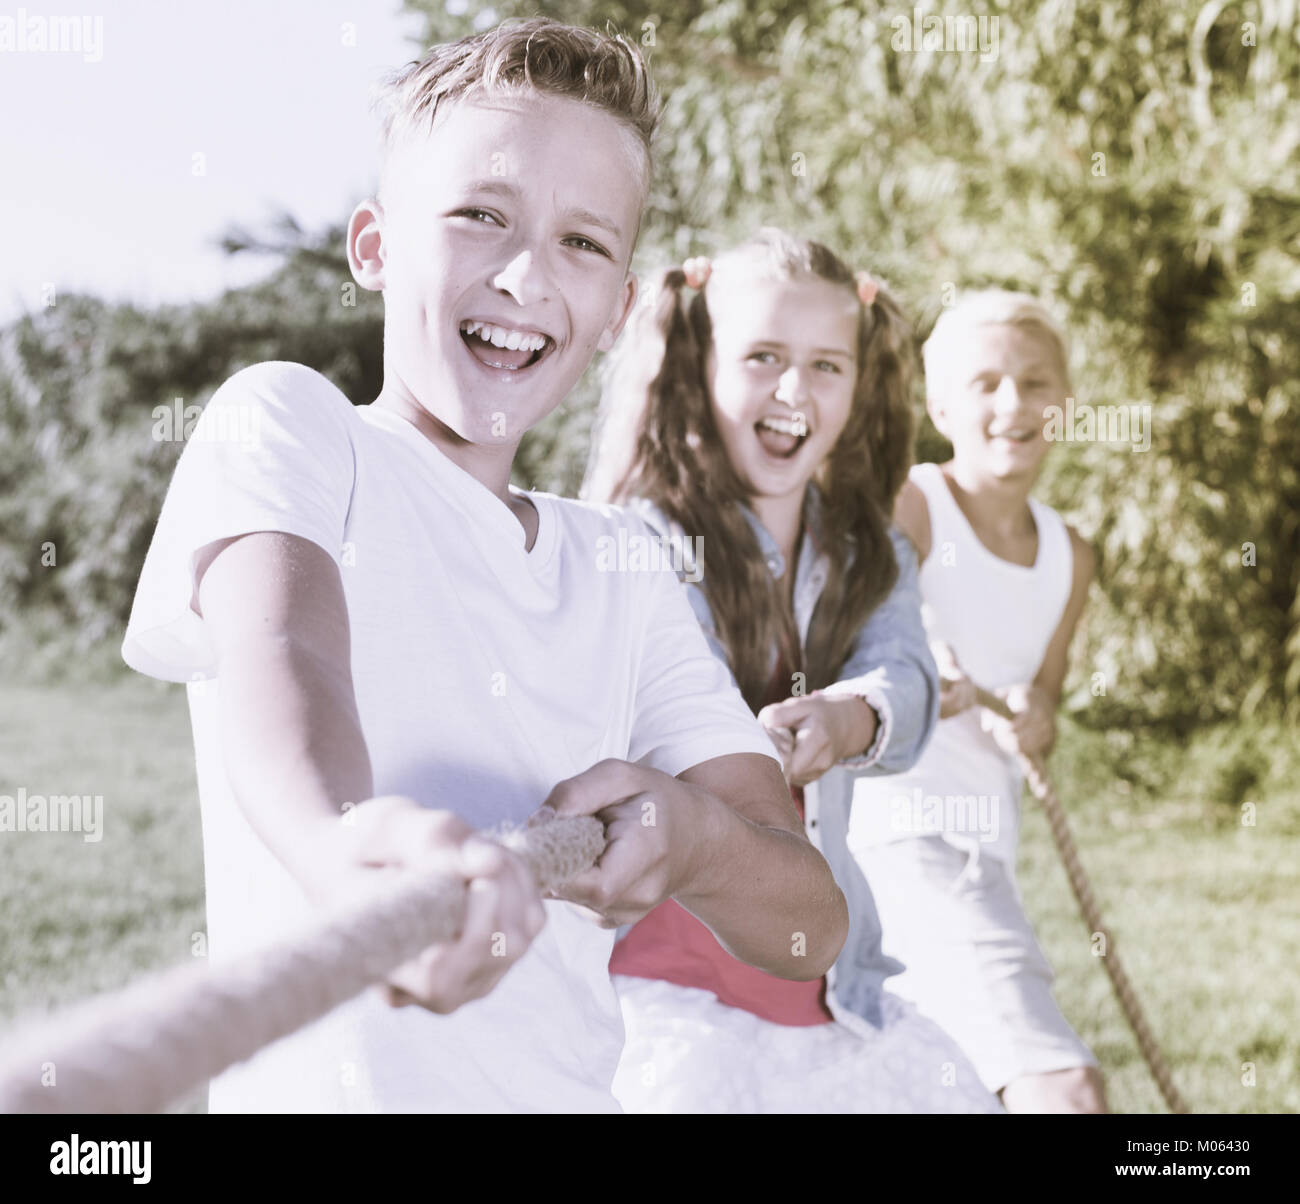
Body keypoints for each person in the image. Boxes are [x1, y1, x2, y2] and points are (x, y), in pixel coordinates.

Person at [120, 20, 848, 1114]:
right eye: (479, 217)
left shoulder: (625, 567)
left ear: (616, 312)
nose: (524, 275)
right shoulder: (291, 426)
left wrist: (694, 840)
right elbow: (290, 651)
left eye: (583, 244)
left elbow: (808, 922)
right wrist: (345, 853)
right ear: (373, 246)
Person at [584, 229, 1002, 1113]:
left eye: (825, 365)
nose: (793, 391)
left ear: (857, 383)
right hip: (661, 970)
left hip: (819, 981)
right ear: (701, 366)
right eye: (762, 357)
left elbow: (907, 676)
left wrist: (850, 718)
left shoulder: (867, 548)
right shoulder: (639, 540)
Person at [847, 289, 1107, 1113]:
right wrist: (916, 664)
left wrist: (1036, 715)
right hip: (903, 837)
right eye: (987, 382)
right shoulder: (912, 506)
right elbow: (846, 642)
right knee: (1061, 1086)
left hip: (981, 846)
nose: (1013, 405)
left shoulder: (1073, 555)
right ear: (940, 404)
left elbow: (1043, 704)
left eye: (1036, 384)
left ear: (1065, 402)